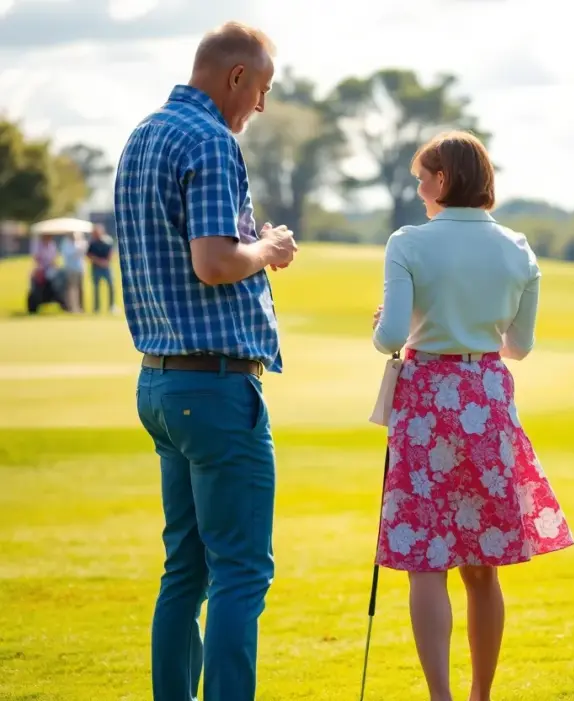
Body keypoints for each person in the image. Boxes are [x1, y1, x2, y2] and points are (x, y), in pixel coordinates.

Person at [113, 22, 297, 701]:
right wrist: (269, 248)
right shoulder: (210, 140)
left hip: (160, 380)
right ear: (237, 78)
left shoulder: (142, 135)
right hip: (215, 387)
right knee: (242, 571)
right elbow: (216, 260)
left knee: (184, 571)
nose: (261, 108)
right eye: (263, 91)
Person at [371, 130, 574, 701]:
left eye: (421, 177)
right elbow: (520, 346)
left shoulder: (408, 242)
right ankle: (481, 696)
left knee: (427, 560)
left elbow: (389, 336)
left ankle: (441, 697)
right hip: (486, 394)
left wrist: (387, 321)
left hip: (426, 398)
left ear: (442, 180)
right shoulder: (517, 246)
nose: (417, 188)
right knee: (482, 562)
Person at [86, 224, 117, 313]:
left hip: (107, 267)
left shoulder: (108, 241)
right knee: (96, 288)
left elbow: (111, 253)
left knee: (111, 286)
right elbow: (89, 255)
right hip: (96, 268)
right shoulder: (92, 243)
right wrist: (98, 261)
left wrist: (106, 261)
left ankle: (112, 306)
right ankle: (96, 308)